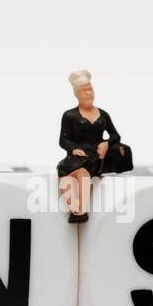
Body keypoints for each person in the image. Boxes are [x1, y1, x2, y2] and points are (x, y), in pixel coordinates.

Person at [57, 70, 127, 223]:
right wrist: (73, 149)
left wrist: (106, 143)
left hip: (96, 156)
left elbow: (116, 135)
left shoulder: (103, 115)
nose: (89, 93)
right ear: (76, 94)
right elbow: (63, 140)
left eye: (90, 89)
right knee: (64, 173)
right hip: (77, 155)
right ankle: (75, 210)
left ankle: (81, 210)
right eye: (84, 90)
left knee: (82, 172)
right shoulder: (69, 115)